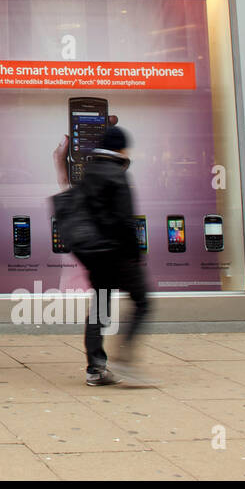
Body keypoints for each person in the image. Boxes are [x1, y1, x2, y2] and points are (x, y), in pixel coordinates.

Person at [55, 125, 153, 386]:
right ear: (120, 149)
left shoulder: (90, 171)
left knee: (99, 305)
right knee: (143, 302)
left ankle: (95, 368)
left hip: (93, 252)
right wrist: (135, 254)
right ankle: (125, 359)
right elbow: (124, 221)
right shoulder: (117, 175)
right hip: (116, 252)